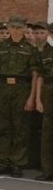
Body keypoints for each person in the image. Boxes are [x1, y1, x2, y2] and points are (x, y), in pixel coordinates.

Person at [0, 16, 41, 178]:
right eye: (13, 27)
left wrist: (31, 97)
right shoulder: (0, 47)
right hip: (2, 87)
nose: (16, 30)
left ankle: (17, 163)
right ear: (8, 28)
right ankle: (3, 161)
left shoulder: (30, 49)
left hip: (21, 87)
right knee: (2, 126)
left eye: (19, 27)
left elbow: (35, 74)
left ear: (24, 28)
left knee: (20, 127)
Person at [35, 21, 53, 181]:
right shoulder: (46, 54)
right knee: (47, 133)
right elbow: (40, 76)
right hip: (48, 90)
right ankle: (47, 170)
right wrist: (38, 99)